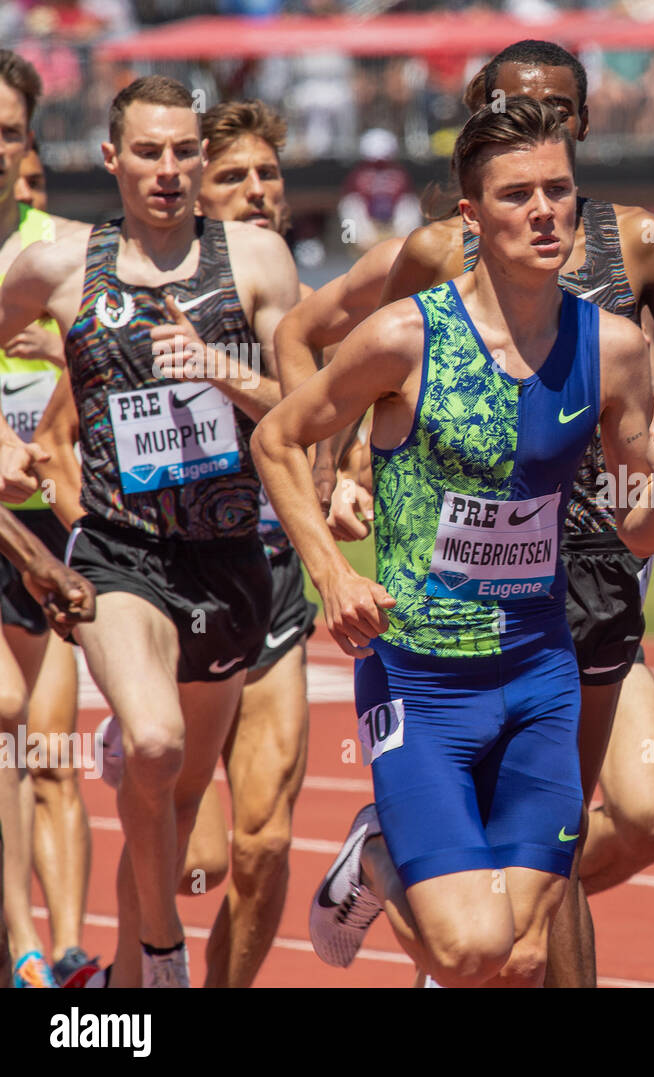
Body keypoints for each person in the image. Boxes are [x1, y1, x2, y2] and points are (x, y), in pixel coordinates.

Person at [285, 39, 654, 988]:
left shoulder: (611, 350)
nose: (544, 211)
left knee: (522, 953)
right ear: (472, 216)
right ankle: (375, 861)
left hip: (541, 667)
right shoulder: (409, 332)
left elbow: (636, 528)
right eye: (518, 195)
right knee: (468, 949)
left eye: (558, 191)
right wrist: (332, 568)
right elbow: (280, 438)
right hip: (425, 673)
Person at [0, 74, 300, 988]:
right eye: (147, 152)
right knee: (156, 741)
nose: (167, 170)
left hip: (228, 564)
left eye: (182, 153)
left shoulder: (256, 262)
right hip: (118, 556)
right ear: (111, 158)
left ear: (198, 158)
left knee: (175, 794)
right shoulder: (62, 268)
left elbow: (306, 408)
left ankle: (128, 990)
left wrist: (223, 370)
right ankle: (165, 946)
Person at [183, 98, 317, 988]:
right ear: (193, 190)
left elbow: (316, 412)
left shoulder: (300, 297)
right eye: (233, 175)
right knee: (199, 858)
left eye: (267, 173)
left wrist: (345, 484)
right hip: (171, 582)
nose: (256, 189)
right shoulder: (143, 289)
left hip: (271, 578)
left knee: (263, 840)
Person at [0, 47, 95, 989]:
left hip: (48, 526)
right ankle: (23, 940)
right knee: (2, 717)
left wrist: (61, 359)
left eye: (10, 133)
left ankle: (69, 955)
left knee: (53, 748)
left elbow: (113, 382)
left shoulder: (65, 251)